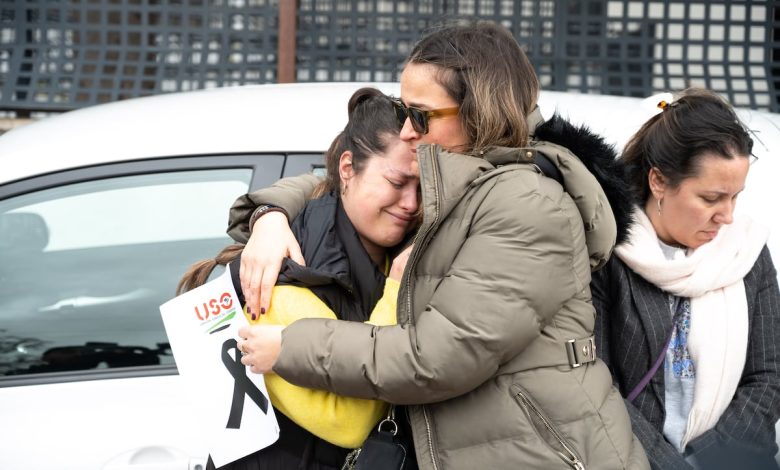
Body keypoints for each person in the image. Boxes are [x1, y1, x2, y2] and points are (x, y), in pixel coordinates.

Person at [227, 22, 649, 470]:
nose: (408, 130)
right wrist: (269, 216)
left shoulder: (526, 205)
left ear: (478, 112)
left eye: (421, 115)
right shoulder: (464, 189)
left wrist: (289, 347)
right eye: (403, 110)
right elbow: (338, 185)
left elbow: (438, 357)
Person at [178, 87, 420, 470]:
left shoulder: (399, 250)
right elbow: (350, 421)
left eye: (422, 188)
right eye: (396, 182)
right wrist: (396, 290)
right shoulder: (277, 275)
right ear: (346, 169)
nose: (411, 203)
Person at [590, 88, 780, 470]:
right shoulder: (606, 254)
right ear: (659, 181)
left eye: (735, 197)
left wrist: (708, 459)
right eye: (711, 198)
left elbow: (768, 374)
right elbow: (593, 383)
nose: (726, 215)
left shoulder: (745, 250)